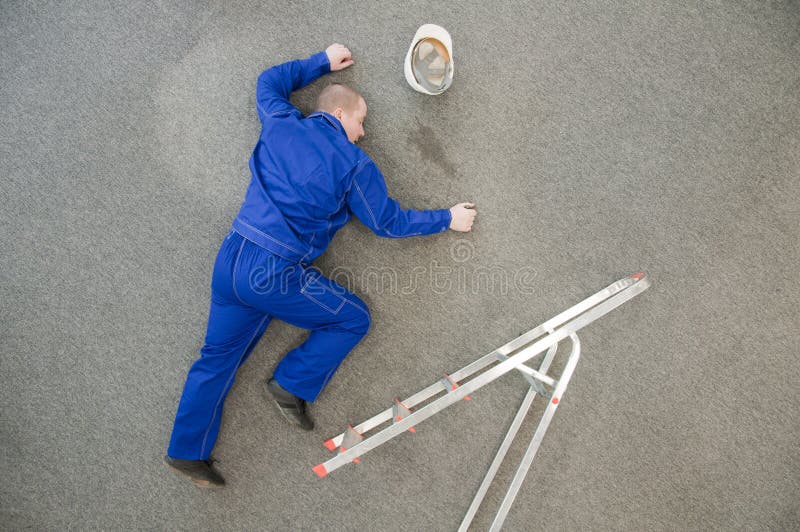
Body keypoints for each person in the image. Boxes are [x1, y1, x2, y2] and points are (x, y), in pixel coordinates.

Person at [163, 43, 477, 487]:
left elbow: (268, 82)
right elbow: (387, 222)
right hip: (272, 273)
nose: (364, 133)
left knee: (215, 358)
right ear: (343, 115)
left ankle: (185, 452)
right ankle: (289, 384)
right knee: (352, 319)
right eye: (362, 122)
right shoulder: (353, 163)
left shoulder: (280, 121)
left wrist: (322, 61)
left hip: (232, 255)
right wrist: (447, 218)